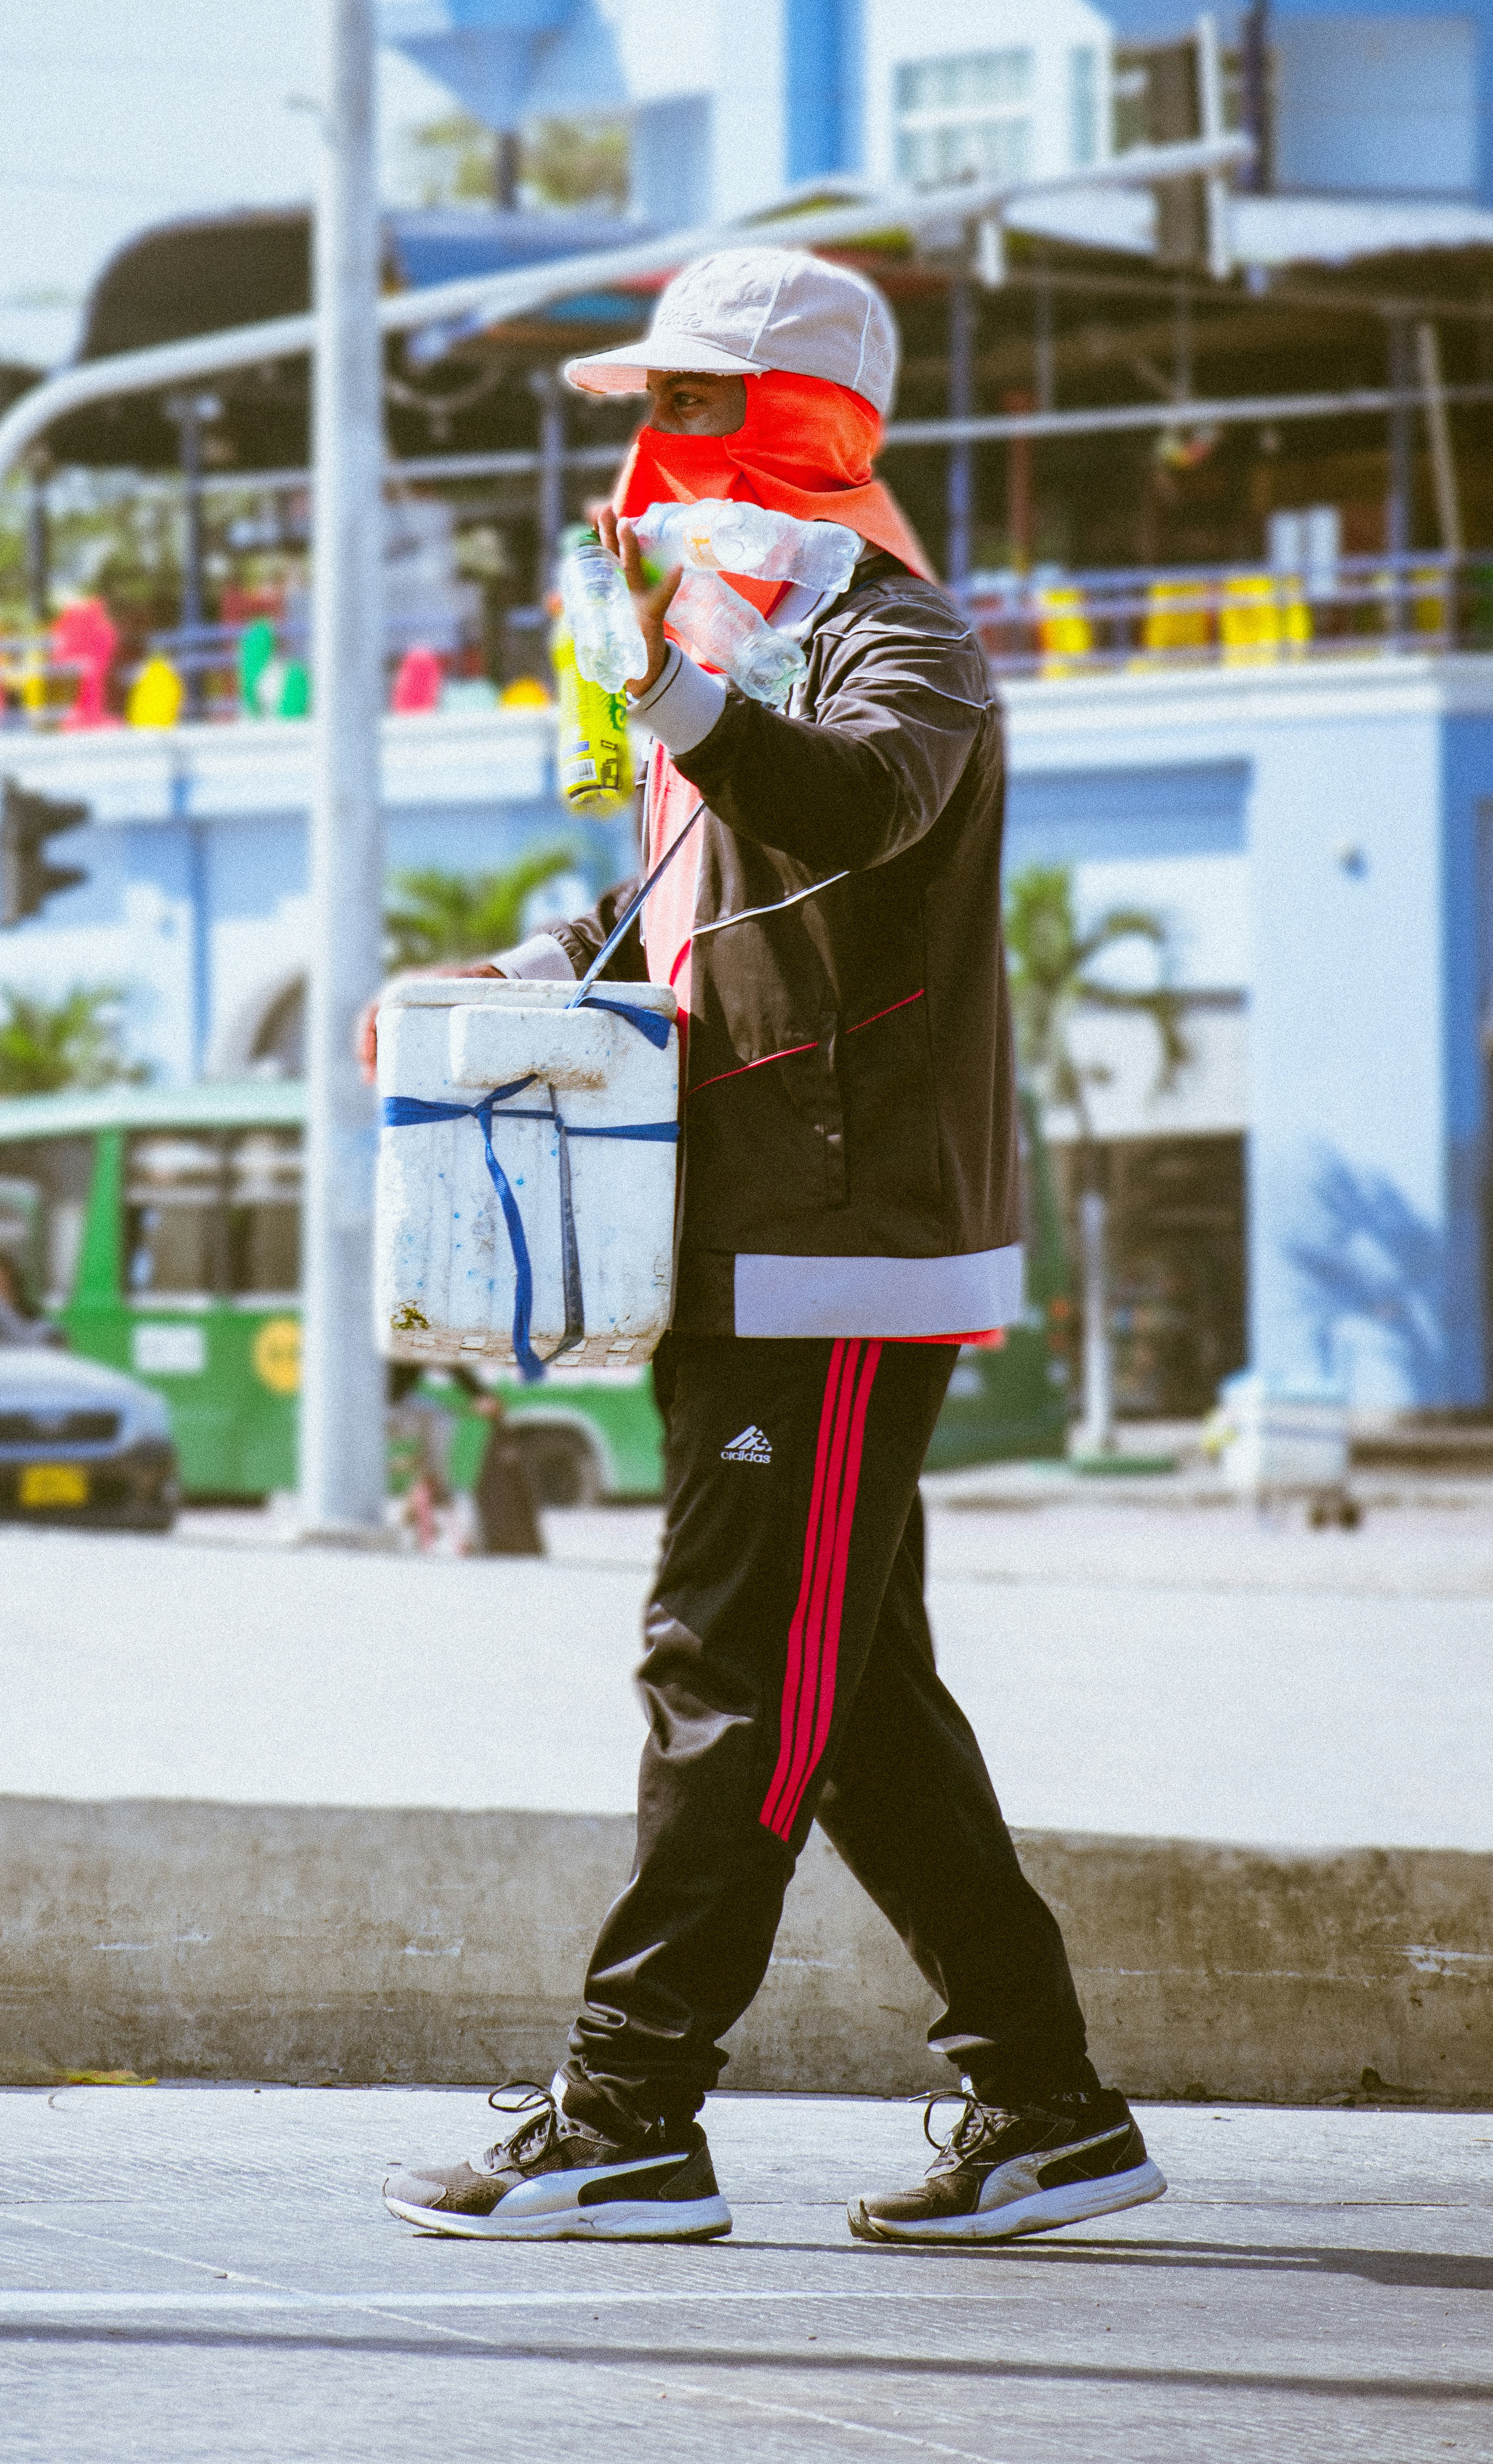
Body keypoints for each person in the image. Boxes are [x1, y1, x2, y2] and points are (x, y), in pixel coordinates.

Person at [379, 248, 1165, 2249]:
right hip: (726, 1226)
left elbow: (854, 808)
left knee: (728, 1674)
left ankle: (629, 2111)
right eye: (647, 408)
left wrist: (661, 682)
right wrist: (519, 977)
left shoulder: (894, 640)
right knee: (848, 1695)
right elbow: (659, 903)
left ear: (798, 421)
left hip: (836, 1251)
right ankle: (1048, 2105)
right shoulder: (697, 640)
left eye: (691, 405)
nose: (651, 445)